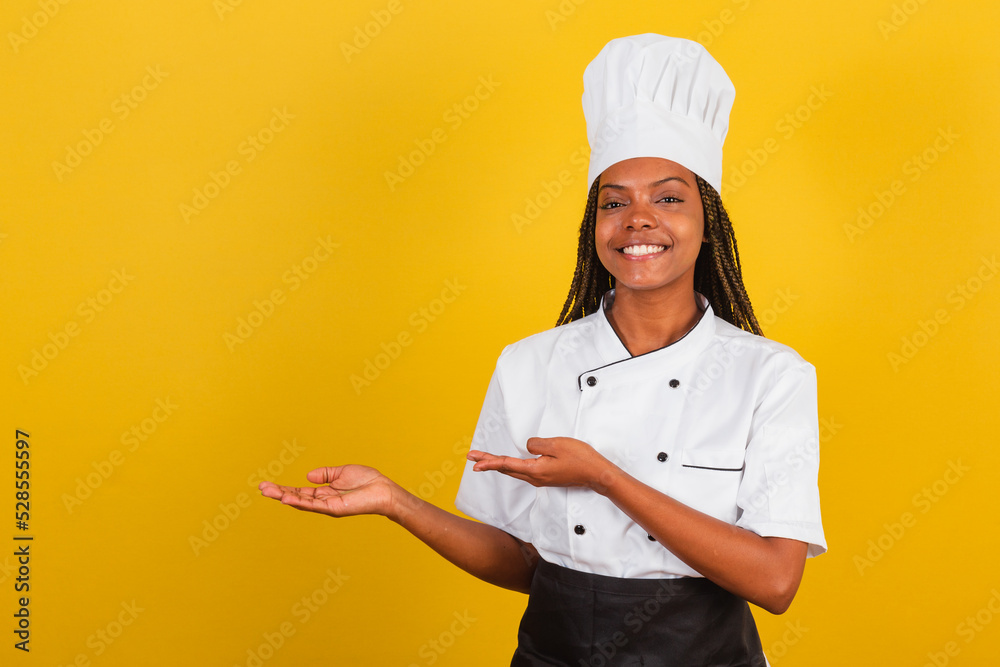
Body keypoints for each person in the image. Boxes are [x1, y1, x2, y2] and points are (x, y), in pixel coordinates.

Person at [259, 34, 826, 666]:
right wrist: (396, 502)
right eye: (614, 202)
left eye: (668, 197)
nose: (638, 218)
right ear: (595, 227)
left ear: (707, 221)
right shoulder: (529, 365)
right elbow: (526, 563)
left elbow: (776, 582)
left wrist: (606, 478)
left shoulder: (769, 376)